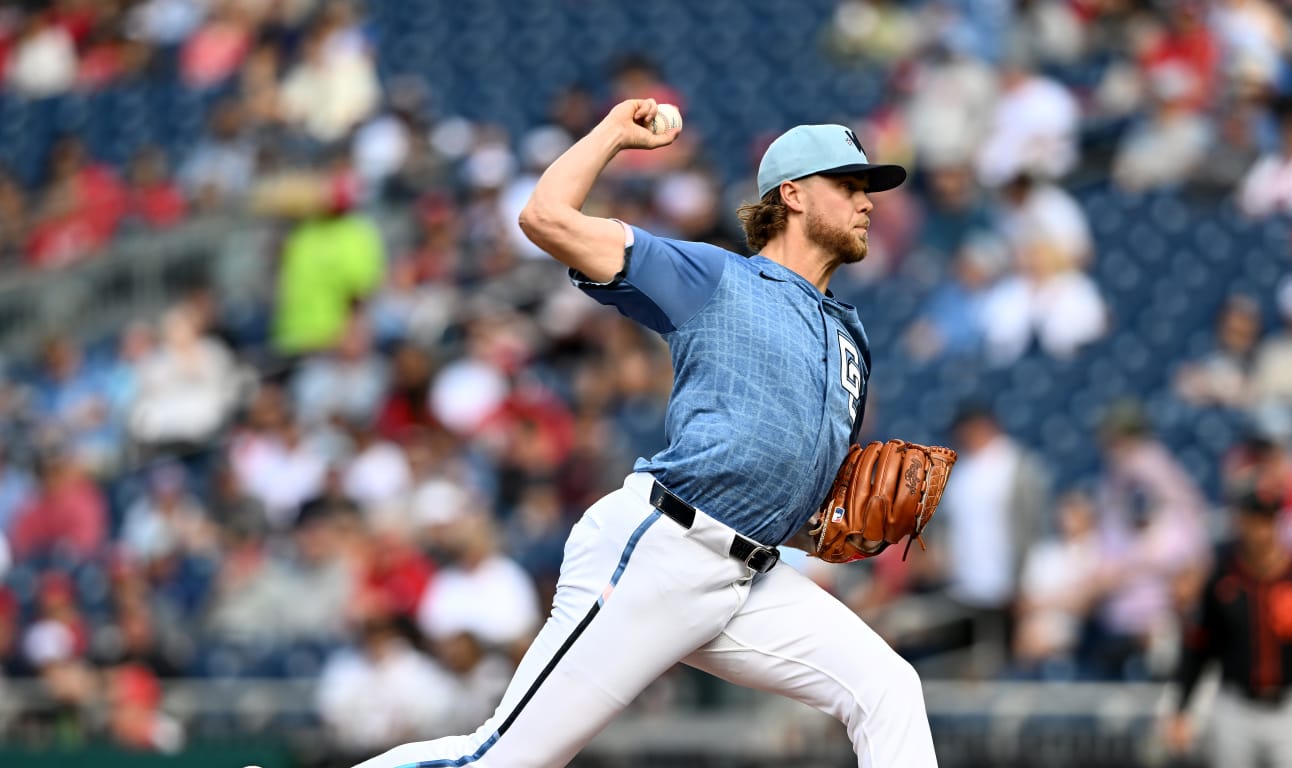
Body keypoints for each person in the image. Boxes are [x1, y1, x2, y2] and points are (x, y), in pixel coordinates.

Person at [352, 101, 937, 766]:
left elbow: (785, 480)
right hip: (662, 550)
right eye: (849, 186)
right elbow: (545, 218)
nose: (867, 202)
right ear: (794, 195)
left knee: (888, 686)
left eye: (869, 189)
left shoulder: (850, 338)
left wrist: (830, 529)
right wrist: (612, 135)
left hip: (750, 578)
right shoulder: (715, 277)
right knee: (502, 758)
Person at [1165, 482, 1292, 768]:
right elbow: (1198, 647)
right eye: (1253, 519)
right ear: (1241, 522)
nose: (1260, 529)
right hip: (1236, 707)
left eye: (1267, 519)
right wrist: (1181, 708)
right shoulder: (1223, 580)